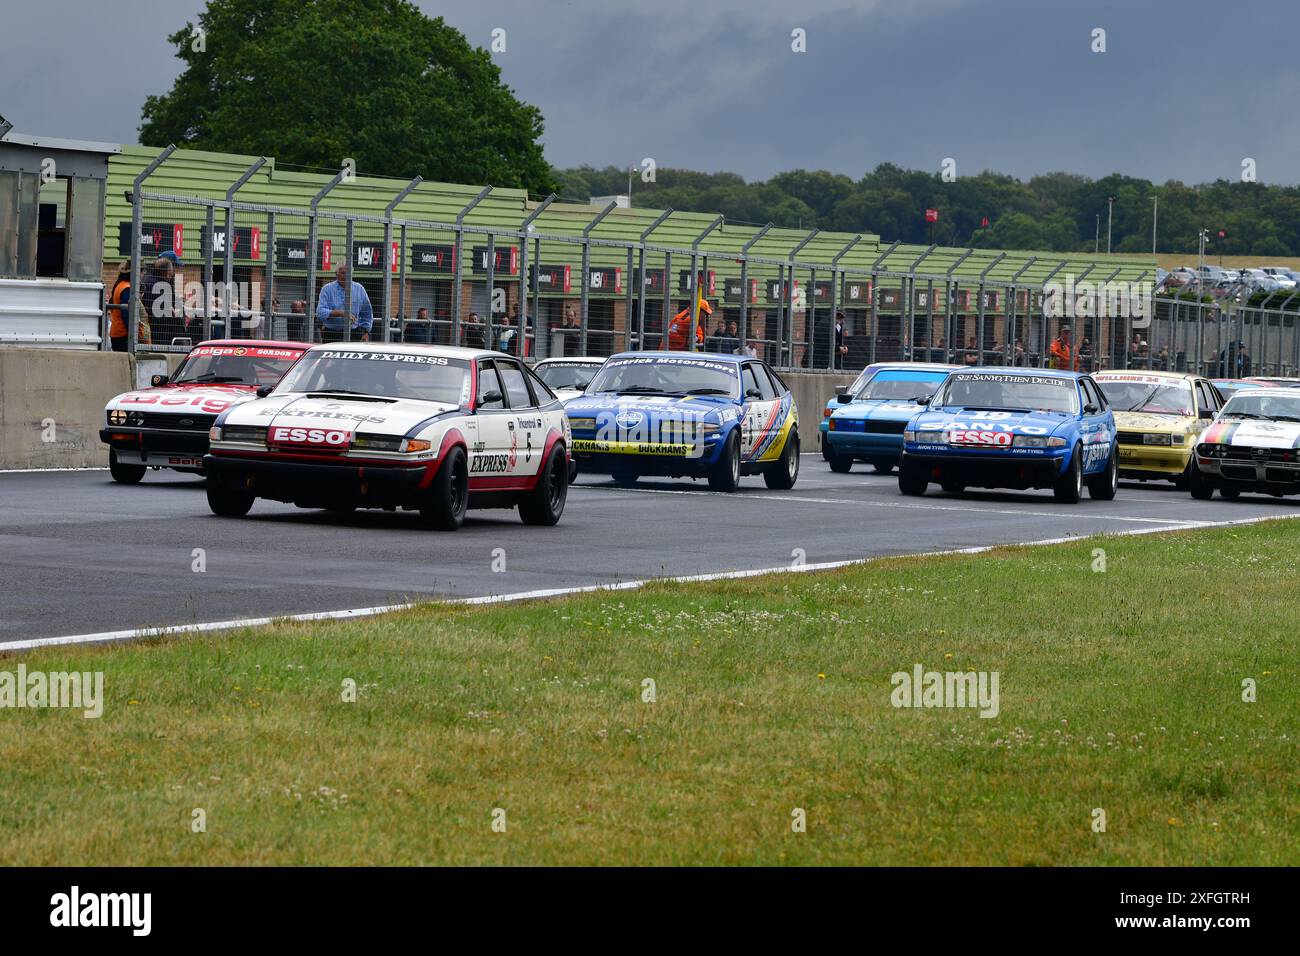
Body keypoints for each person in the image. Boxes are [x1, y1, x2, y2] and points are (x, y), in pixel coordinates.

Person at [315, 264, 373, 342]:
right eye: (343, 273)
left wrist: (366, 332)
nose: (346, 276)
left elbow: (367, 313)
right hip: (332, 333)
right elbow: (320, 313)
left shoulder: (359, 289)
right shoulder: (327, 289)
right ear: (336, 274)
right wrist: (341, 313)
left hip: (354, 333)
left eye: (348, 273)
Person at [139, 251, 182, 345]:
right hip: (161, 333)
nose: (174, 271)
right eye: (173, 267)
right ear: (167, 270)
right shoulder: (163, 286)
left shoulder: (146, 281)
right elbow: (167, 312)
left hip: (147, 330)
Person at [106, 262, 147, 352]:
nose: (144, 274)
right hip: (123, 335)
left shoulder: (120, 284)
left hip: (118, 333)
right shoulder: (127, 288)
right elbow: (127, 314)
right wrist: (135, 334)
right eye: (143, 271)